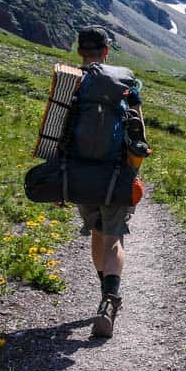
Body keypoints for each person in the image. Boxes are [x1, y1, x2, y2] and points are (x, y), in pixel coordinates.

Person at [73, 25, 143, 338]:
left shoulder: (70, 82)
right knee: (114, 237)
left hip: (79, 172)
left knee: (97, 232)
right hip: (115, 173)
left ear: (79, 52)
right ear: (106, 52)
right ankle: (109, 300)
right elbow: (139, 131)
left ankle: (104, 290)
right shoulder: (126, 82)